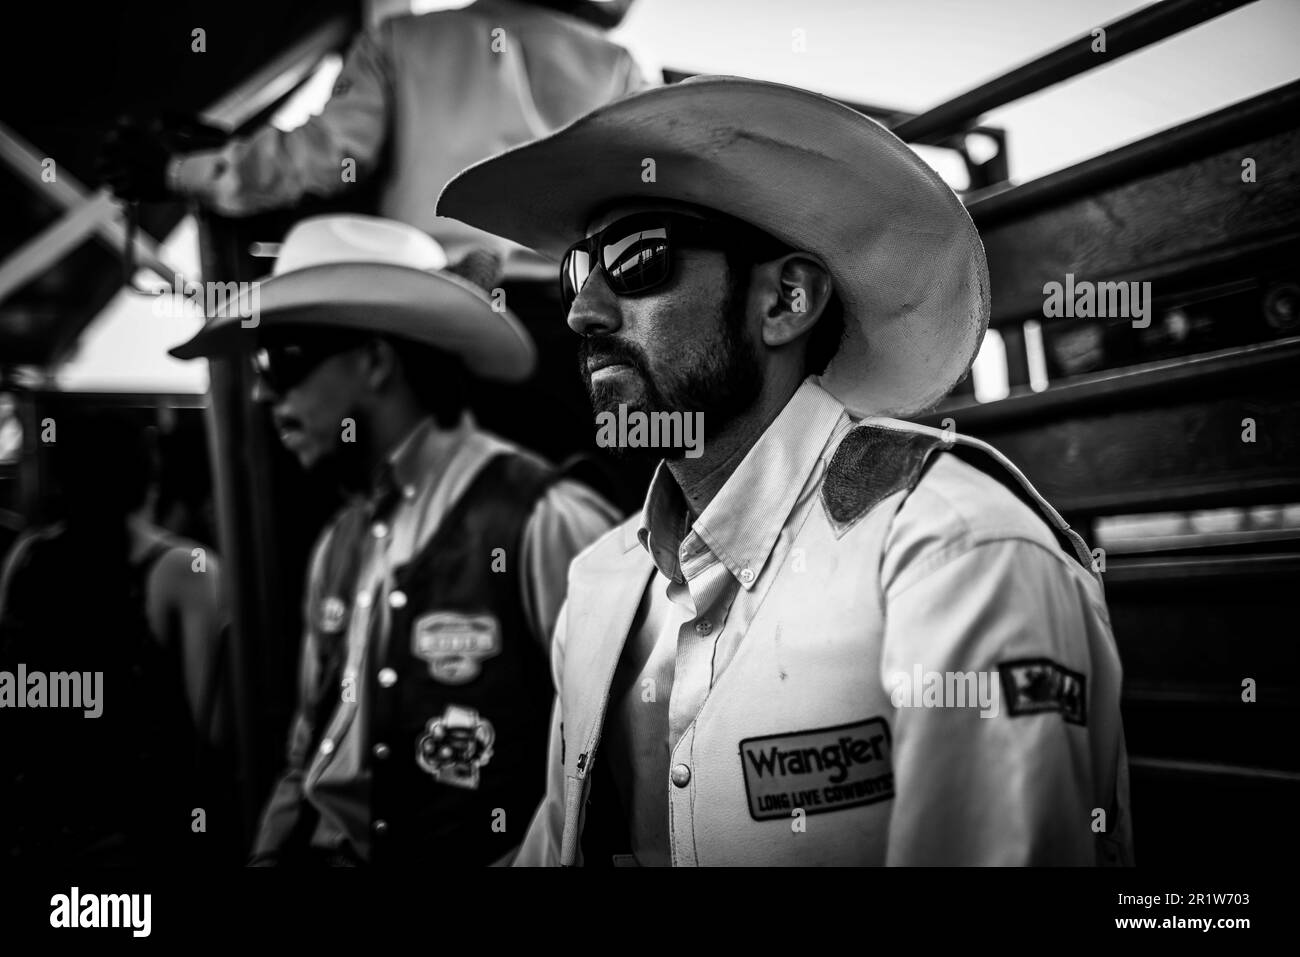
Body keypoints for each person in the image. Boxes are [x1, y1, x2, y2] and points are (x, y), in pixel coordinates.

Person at [436, 76, 1136, 866]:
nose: (583, 311)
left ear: (786, 300)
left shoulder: (956, 552)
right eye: (577, 270)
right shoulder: (601, 578)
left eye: (637, 260)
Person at [167, 213, 619, 866]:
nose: (265, 392)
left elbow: (606, 780)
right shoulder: (339, 543)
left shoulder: (545, 521)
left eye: (282, 358)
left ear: (377, 360)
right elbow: (309, 754)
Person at [100, 0, 644, 277]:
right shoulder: (617, 67)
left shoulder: (404, 40)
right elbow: (639, 193)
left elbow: (321, 157)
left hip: (434, 308)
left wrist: (182, 169)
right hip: (572, 317)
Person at [0, 409, 229, 865]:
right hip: (145, 832)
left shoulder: (24, 558)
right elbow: (213, 726)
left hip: (38, 829)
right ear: (150, 471)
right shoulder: (186, 568)